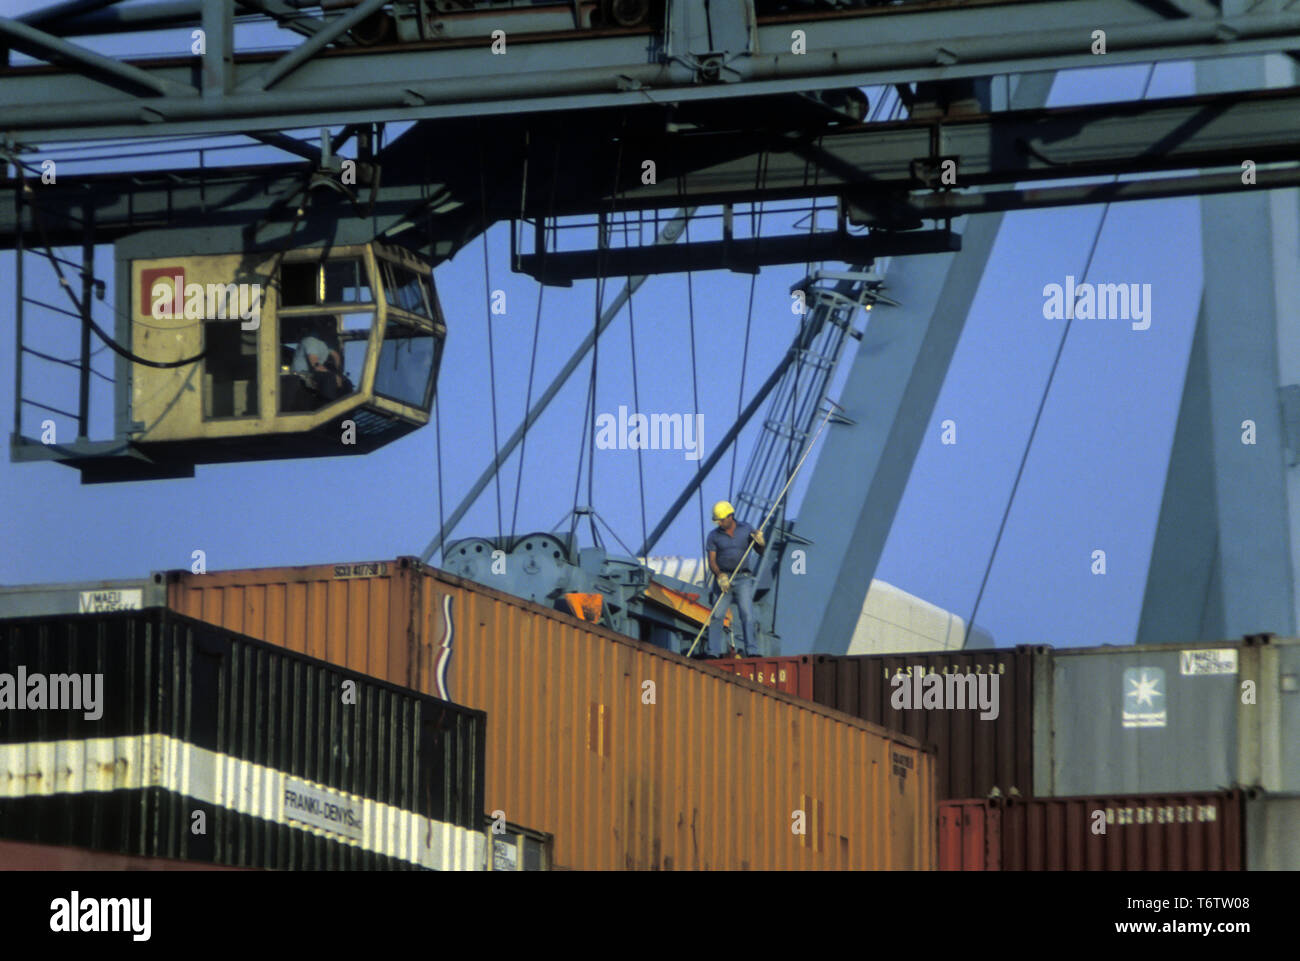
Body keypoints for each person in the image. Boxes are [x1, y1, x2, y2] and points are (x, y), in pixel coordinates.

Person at [704, 499, 765, 658]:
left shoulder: (746, 529)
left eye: (721, 520)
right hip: (723, 579)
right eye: (717, 521)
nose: (719, 523)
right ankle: (713, 652)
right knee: (717, 616)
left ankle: (752, 651)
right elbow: (712, 561)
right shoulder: (713, 536)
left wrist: (760, 542)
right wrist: (720, 576)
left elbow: (760, 551)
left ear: (730, 516)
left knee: (747, 614)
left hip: (743, 578)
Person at [291, 323, 352, 403]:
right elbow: (315, 364)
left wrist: (340, 375)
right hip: (301, 375)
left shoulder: (325, 343)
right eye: (328, 327)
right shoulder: (310, 340)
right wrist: (335, 376)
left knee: (346, 383)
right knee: (329, 378)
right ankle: (328, 406)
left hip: (314, 373)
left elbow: (336, 356)